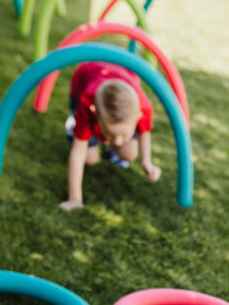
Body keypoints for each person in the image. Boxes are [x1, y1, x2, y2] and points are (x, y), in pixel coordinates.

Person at [60, 62, 162, 211]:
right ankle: (74, 128)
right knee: (90, 159)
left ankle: (109, 144)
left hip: (121, 78)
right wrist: (75, 199)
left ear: (138, 117)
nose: (118, 140)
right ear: (95, 115)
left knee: (129, 153)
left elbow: (144, 132)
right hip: (84, 79)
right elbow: (77, 153)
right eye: (109, 133)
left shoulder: (144, 108)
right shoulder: (87, 105)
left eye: (123, 134)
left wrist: (147, 162)